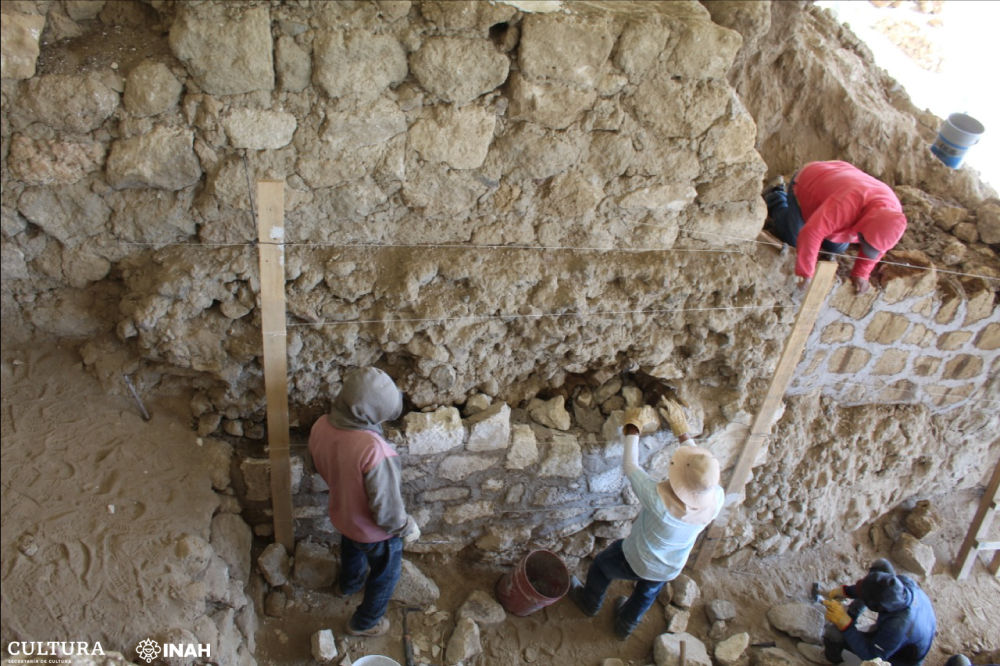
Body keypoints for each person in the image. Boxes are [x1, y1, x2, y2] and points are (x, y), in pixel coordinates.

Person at [567, 400, 724, 639]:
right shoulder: (716, 498)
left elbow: (631, 466)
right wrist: (682, 431)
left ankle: (589, 603)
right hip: (670, 566)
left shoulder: (659, 501)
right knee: (646, 593)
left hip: (637, 558)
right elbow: (699, 475)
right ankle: (626, 626)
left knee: (601, 566)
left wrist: (633, 426)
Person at [308, 366, 421, 637]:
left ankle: (347, 586)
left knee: (352, 550)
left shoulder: (321, 425)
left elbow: (316, 465)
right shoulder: (375, 451)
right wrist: (406, 527)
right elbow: (387, 513)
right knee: (385, 574)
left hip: (344, 517)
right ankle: (365, 622)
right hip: (375, 533)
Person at [763, 160, 908, 294]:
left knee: (837, 247)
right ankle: (776, 196)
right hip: (809, 182)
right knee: (795, 238)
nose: (865, 245)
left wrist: (861, 274)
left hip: (839, 189)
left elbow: (878, 246)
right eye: (865, 240)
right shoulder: (848, 203)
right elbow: (812, 232)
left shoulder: (891, 218)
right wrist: (806, 273)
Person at [820, 558, 936, 666]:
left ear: (878, 607)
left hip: (899, 659)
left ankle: (831, 660)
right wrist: (846, 591)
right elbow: (875, 587)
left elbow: (872, 656)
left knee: (833, 634)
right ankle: (852, 614)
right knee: (881, 565)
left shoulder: (897, 626)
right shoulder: (903, 583)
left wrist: (846, 625)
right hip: (907, 637)